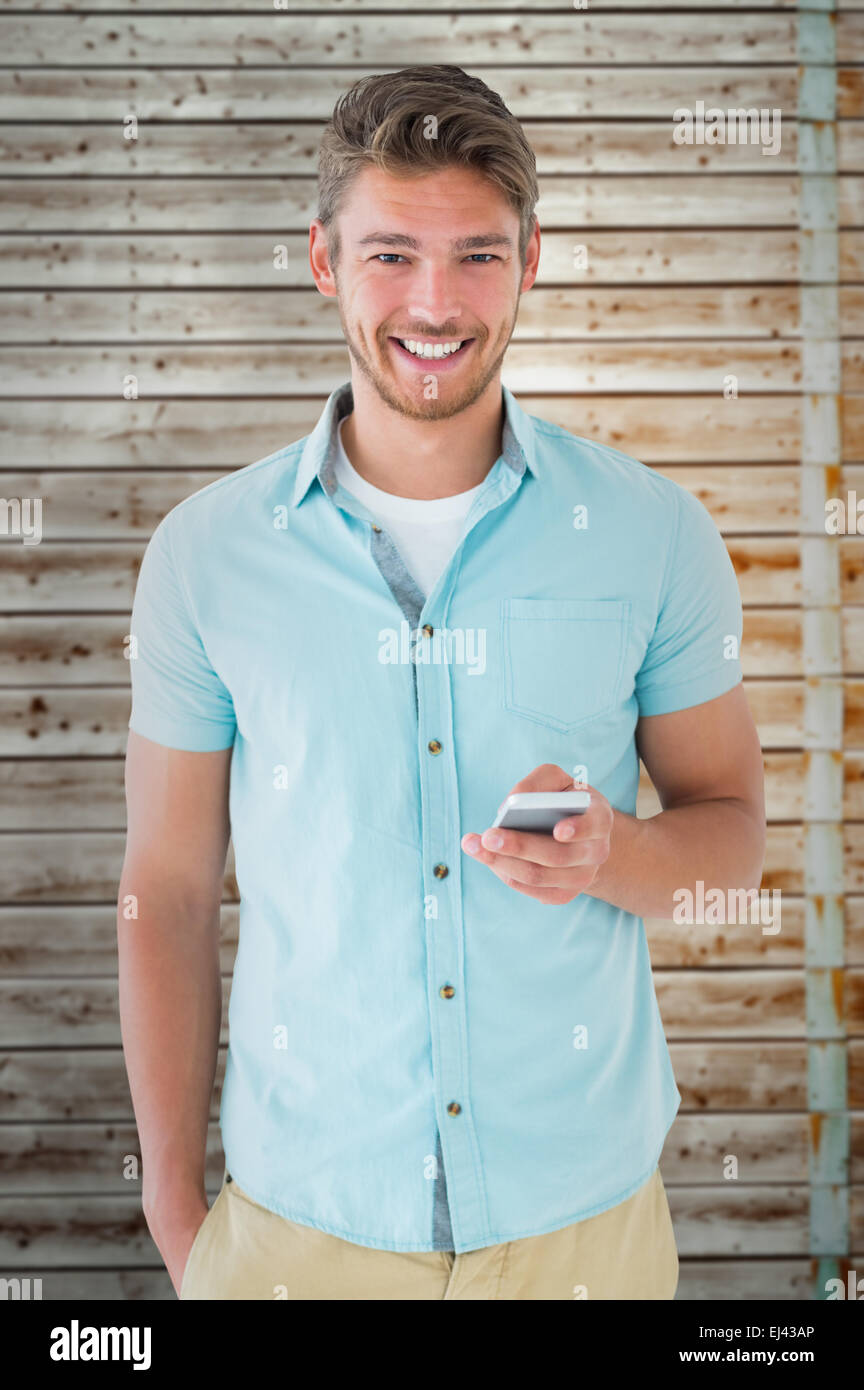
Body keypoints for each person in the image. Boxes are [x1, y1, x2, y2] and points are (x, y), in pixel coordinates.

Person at [118, 65, 766, 1301]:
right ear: (322, 260)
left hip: (586, 1234)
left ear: (531, 262)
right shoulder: (205, 555)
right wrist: (171, 1200)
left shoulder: (653, 533)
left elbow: (731, 834)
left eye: (476, 254)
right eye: (390, 255)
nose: (434, 301)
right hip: (298, 1233)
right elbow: (168, 888)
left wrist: (614, 856)